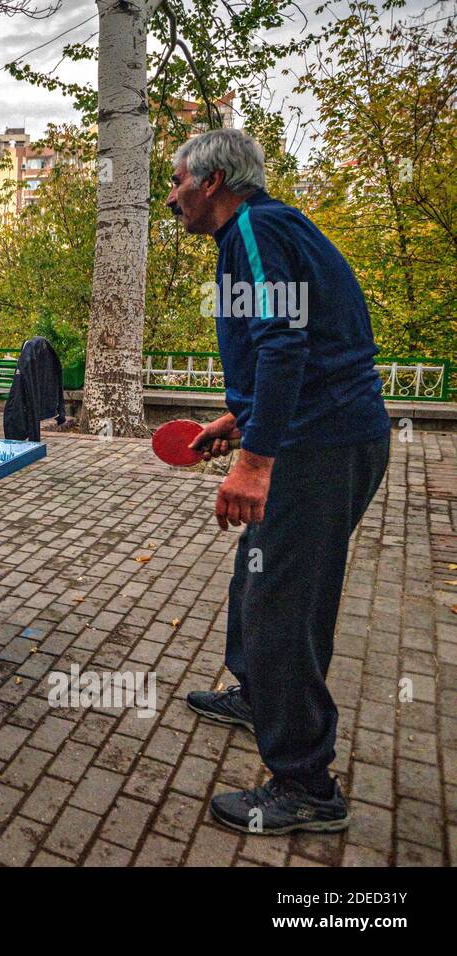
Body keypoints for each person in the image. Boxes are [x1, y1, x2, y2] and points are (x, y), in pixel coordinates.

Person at [167, 128, 390, 835]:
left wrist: (255, 463)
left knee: (282, 605)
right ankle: (259, 695)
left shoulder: (255, 228)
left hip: (318, 445)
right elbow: (297, 342)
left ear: (211, 183)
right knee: (256, 575)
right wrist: (237, 421)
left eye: (177, 183)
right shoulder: (260, 233)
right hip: (318, 432)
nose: (172, 199)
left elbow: (286, 341)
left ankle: (305, 785)